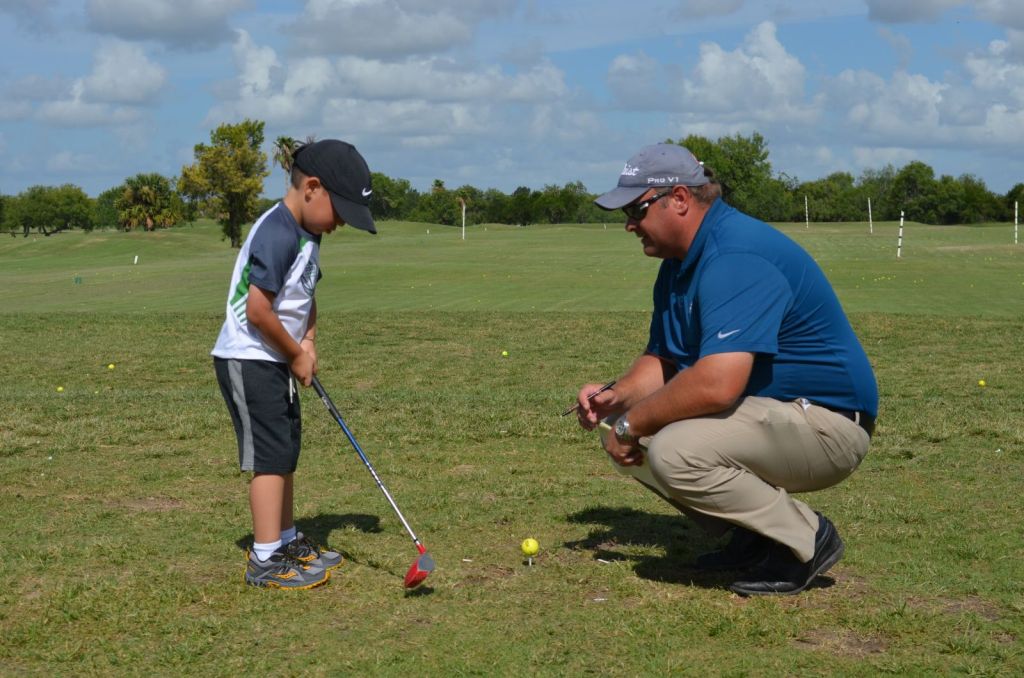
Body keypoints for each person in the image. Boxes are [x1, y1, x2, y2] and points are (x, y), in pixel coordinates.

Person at [576, 143, 877, 596]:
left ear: (679, 198)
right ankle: (755, 537)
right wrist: (617, 401)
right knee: (625, 429)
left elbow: (717, 385)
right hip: (773, 414)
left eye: (637, 209)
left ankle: (805, 540)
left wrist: (633, 423)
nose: (629, 224)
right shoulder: (679, 264)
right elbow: (664, 360)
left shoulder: (736, 255)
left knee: (673, 448)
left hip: (828, 424)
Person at [212, 139, 377, 589]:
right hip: (249, 357)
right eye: (339, 210)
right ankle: (265, 558)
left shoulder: (309, 233)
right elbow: (258, 310)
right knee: (268, 455)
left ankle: (284, 539)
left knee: (285, 450)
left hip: (278, 355)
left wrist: (309, 341)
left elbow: (305, 295)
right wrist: (295, 354)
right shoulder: (278, 231)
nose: (341, 222)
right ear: (312, 188)